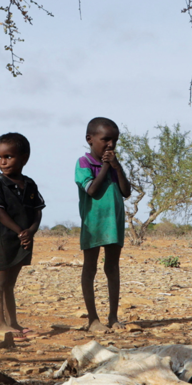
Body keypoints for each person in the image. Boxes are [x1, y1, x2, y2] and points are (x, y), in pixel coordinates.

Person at [75, 117, 131, 333]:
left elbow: (126, 192)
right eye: (105, 139)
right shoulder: (84, 163)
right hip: (93, 224)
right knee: (90, 267)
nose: (111, 145)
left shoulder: (114, 165)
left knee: (112, 267)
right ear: (90, 139)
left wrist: (116, 167)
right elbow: (92, 190)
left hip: (114, 223)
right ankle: (92, 319)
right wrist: (107, 166)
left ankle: (113, 317)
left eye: (114, 141)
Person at [0, 132, 44, 336]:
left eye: (8, 157)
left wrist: (31, 231)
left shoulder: (30, 184)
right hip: (4, 241)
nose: (2, 162)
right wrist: (20, 231)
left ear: (24, 158)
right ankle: (0, 325)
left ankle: (14, 323)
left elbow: (38, 211)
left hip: (24, 241)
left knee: (10, 284)